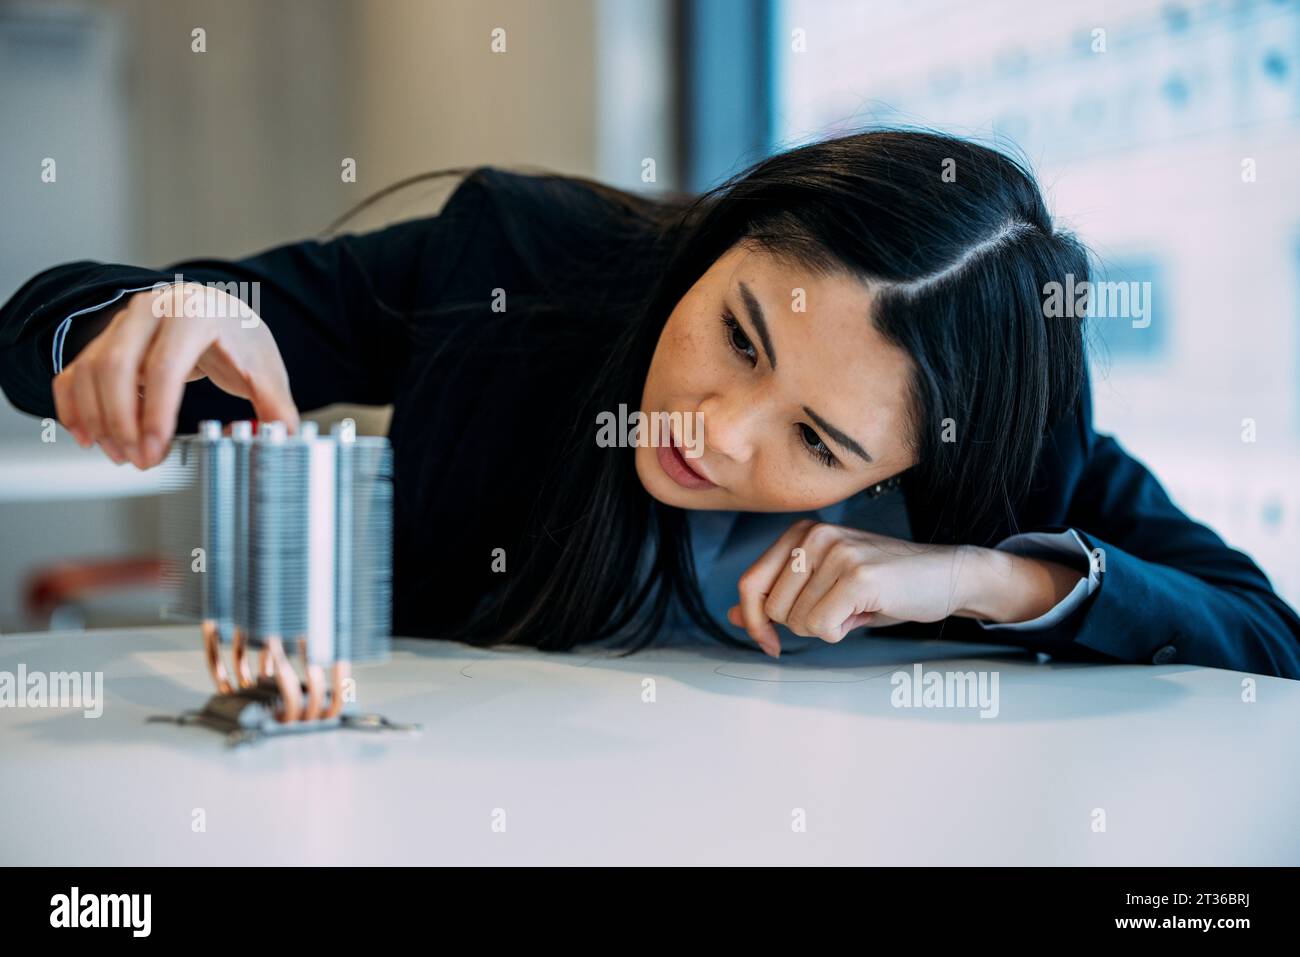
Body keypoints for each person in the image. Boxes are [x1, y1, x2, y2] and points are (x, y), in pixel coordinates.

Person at [2, 129, 1297, 677]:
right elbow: (41, 320)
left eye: (821, 441)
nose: (717, 428)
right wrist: (142, 324)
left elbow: (1266, 640)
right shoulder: (523, 268)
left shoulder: (1010, 463)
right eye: (736, 332)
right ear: (727, 236)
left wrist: (979, 576)